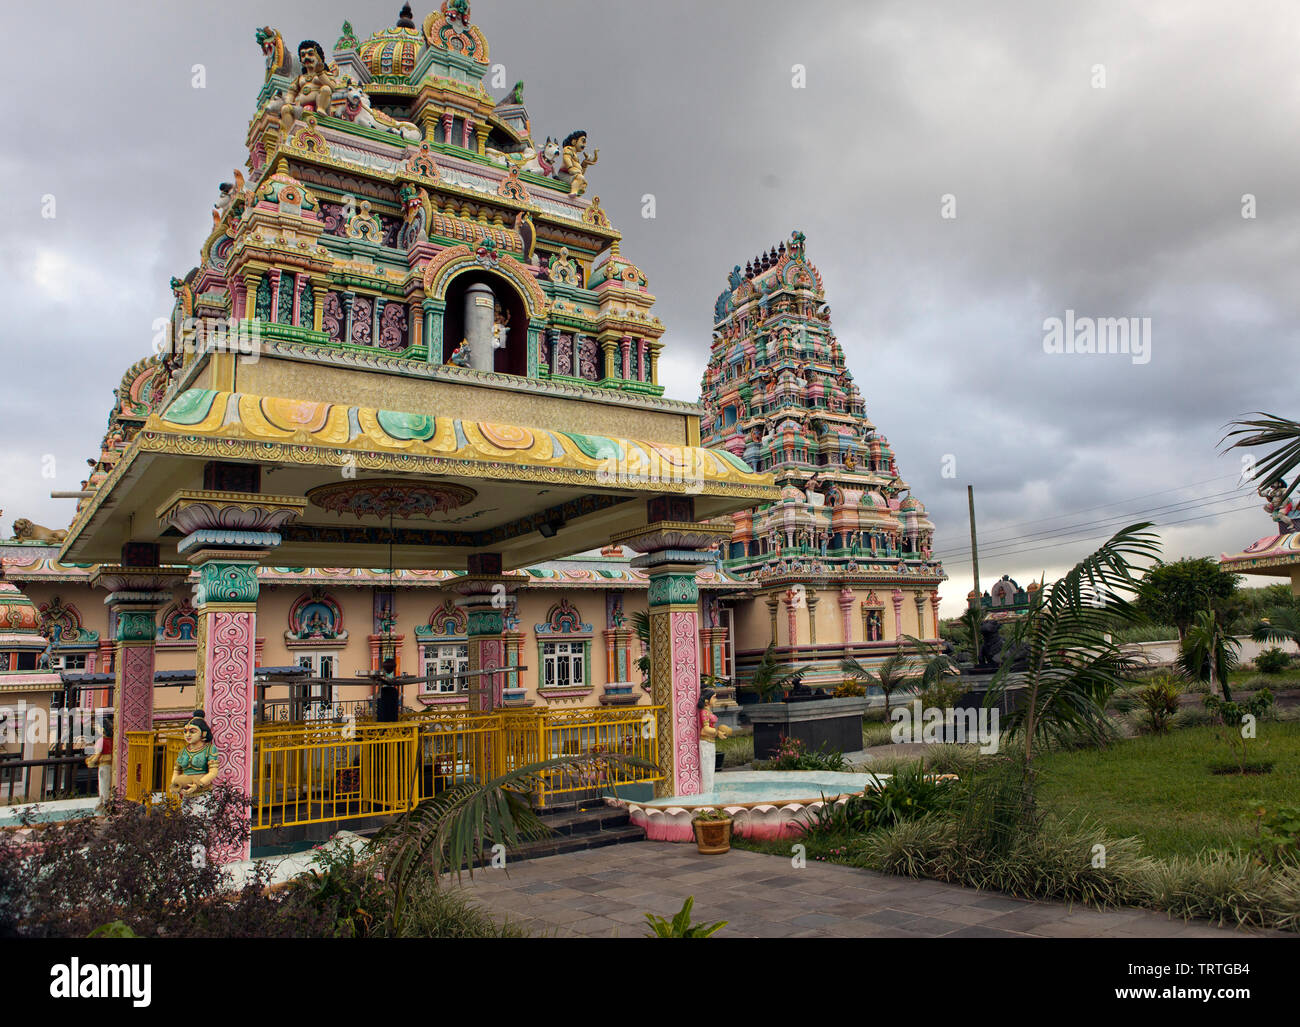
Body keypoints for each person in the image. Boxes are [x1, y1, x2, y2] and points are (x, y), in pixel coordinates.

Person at [170, 710, 221, 799]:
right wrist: (174, 784)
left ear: (203, 733)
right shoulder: (183, 751)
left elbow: (213, 772)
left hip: (203, 793)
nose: (188, 735)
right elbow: (176, 771)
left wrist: (198, 785)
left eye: (192, 732)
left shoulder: (209, 749)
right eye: (185, 731)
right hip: (186, 793)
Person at [697, 687, 731, 794]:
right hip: (705, 743)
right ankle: (707, 794)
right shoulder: (704, 712)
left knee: (711, 769)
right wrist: (717, 732)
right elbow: (704, 730)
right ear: (707, 701)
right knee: (707, 771)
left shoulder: (708, 711)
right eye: (714, 697)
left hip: (710, 742)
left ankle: (709, 792)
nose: (716, 700)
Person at [79, 714, 114, 814]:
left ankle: (103, 806)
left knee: (103, 787)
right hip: (112, 764)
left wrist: (89, 761)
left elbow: (97, 755)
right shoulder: (112, 740)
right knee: (110, 786)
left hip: (103, 765)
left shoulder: (101, 741)